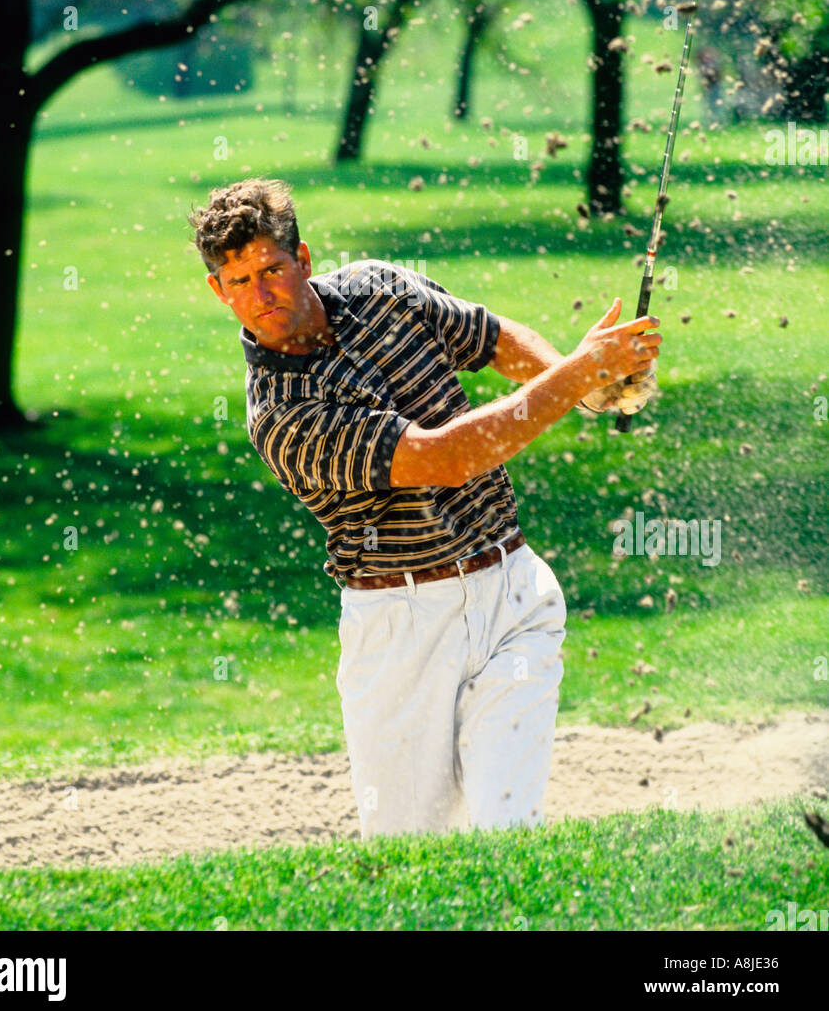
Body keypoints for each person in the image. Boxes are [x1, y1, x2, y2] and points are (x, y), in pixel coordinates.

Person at [188, 178, 660, 840]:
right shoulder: (281, 414)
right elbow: (447, 458)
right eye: (237, 282)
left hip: (512, 599)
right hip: (400, 635)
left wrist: (588, 384)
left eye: (271, 270)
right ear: (217, 291)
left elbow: (489, 339)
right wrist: (580, 374)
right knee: (411, 857)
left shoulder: (381, 289)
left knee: (507, 836)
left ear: (304, 259)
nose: (259, 296)